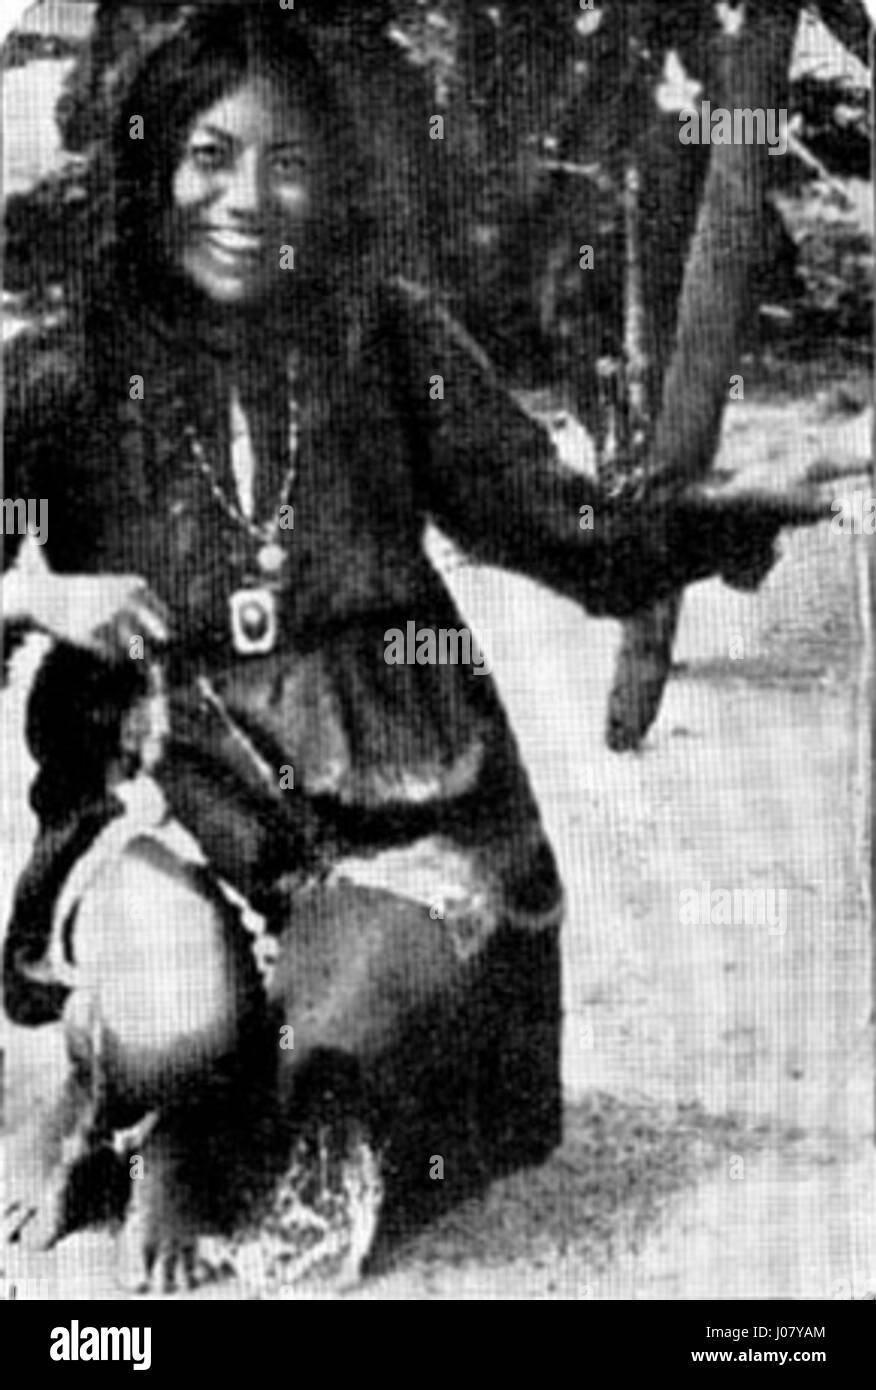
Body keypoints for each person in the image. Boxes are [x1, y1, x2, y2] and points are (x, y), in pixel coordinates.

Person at [1, 4, 788, 1289]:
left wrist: (717, 521)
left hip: (405, 799)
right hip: (179, 793)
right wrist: (44, 600)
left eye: (288, 162)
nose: (248, 199)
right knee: (178, 1019)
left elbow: (565, 530)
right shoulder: (72, 379)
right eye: (210, 155)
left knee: (362, 1058)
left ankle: (211, 1125)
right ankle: (131, 1094)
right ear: (152, 165)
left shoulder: (388, 341)